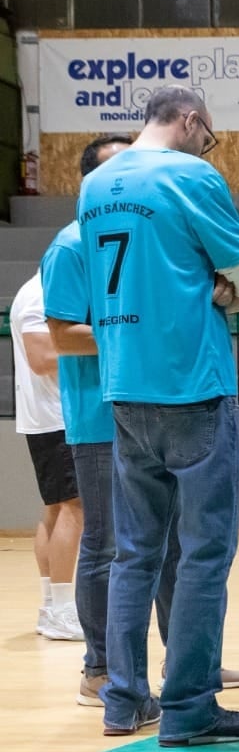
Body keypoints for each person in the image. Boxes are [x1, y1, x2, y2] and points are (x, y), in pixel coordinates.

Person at [75, 86, 239, 747]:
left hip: (124, 387)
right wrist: (226, 289)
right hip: (191, 383)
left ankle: (124, 699)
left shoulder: (94, 186)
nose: (206, 148)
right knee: (204, 553)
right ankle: (190, 706)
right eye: (207, 136)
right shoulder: (191, 175)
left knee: (135, 554)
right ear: (189, 122)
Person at [11, 266, 83, 642]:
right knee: (75, 508)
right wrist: (98, 349)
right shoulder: (40, 296)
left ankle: (53, 606)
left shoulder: (33, 291)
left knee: (56, 509)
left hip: (48, 417)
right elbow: (41, 359)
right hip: (56, 418)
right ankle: (63, 610)